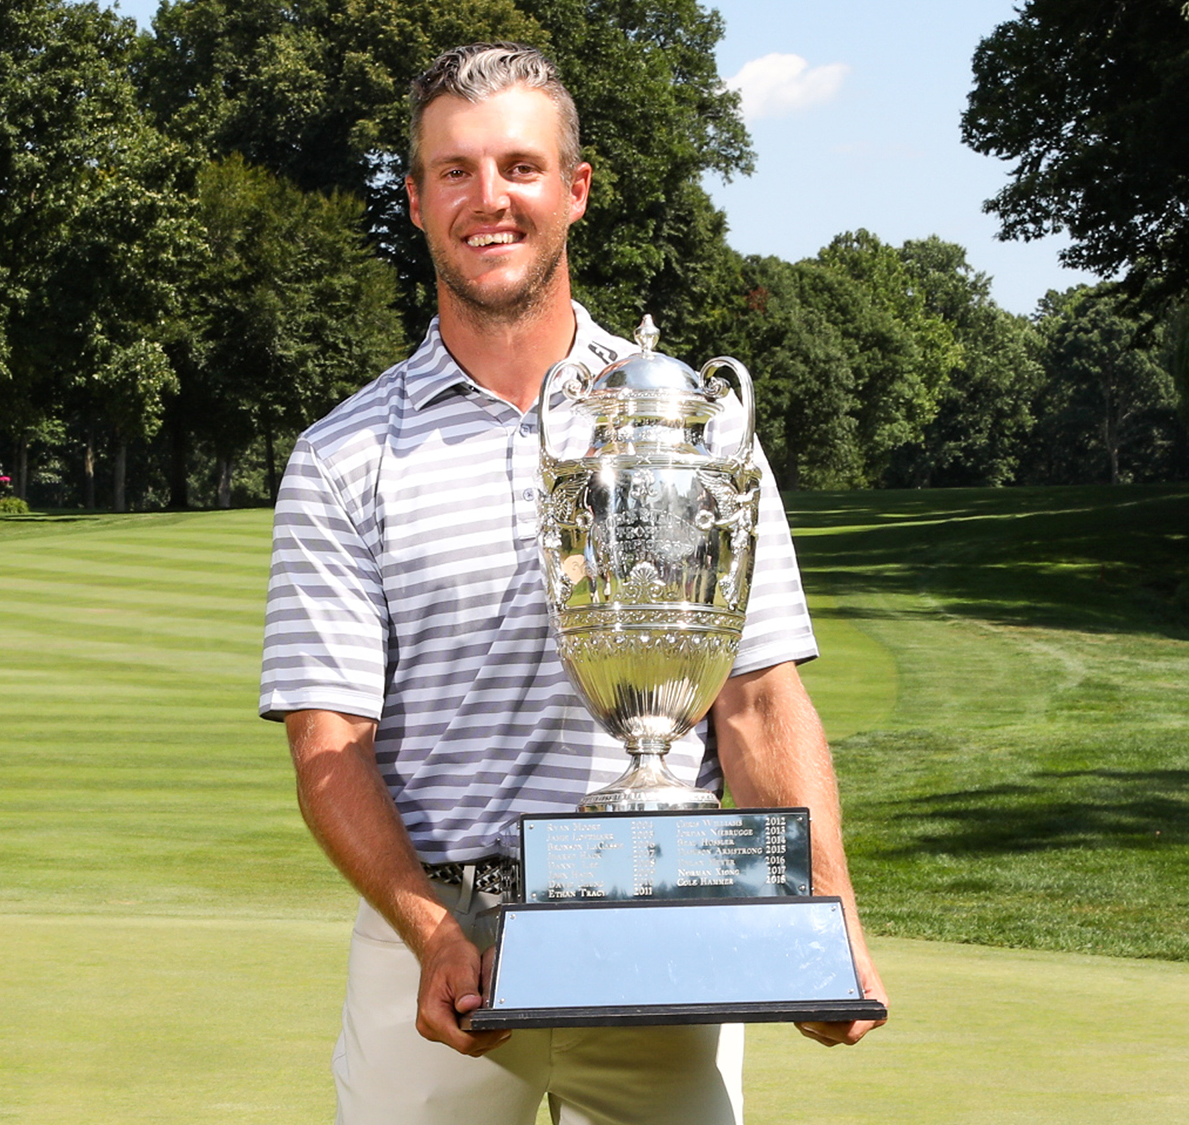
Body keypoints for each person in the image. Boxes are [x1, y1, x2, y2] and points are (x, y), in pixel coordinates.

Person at [259, 42, 885, 1125]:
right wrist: (431, 931)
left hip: (660, 925)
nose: (485, 199)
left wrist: (826, 921)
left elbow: (757, 698)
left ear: (575, 190)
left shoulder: (692, 425)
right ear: (413, 201)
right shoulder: (340, 456)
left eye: (518, 166)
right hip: (441, 947)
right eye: (452, 171)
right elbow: (326, 747)